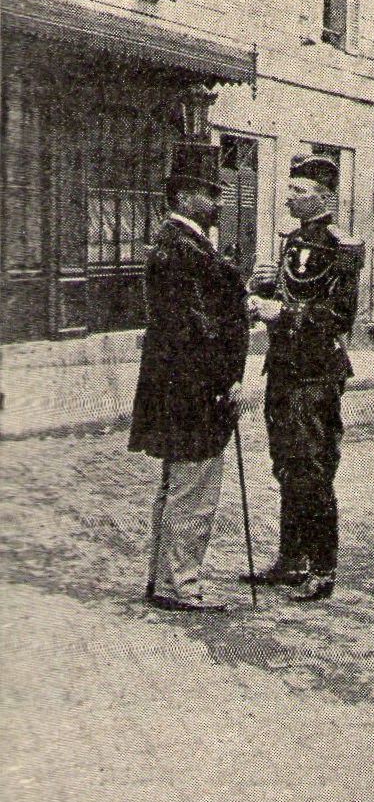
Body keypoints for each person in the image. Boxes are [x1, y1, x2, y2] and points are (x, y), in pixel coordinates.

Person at [129, 142, 250, 612]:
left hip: (178, 387)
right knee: (194, 490)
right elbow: (196, 328)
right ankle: (182, 585)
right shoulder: (183, 250)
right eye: (209, 193)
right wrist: (226, 381)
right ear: (183, 198)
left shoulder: (183, 245)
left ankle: (165, 581)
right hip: (195, 389)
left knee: (176, 486)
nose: (219, 202)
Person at [246, 155, 363, 601]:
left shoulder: (342, 246)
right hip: (284, 367)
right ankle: (291, 560)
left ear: (323, 195)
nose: (289, 196)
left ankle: (323, 568)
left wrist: (286, 312)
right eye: (290, 188)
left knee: (313, 468)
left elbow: (340, 317)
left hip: (316, 372)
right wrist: (265, 290)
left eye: (298, 190)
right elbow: (292, 288)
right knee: (287, 465)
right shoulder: (291, 242)